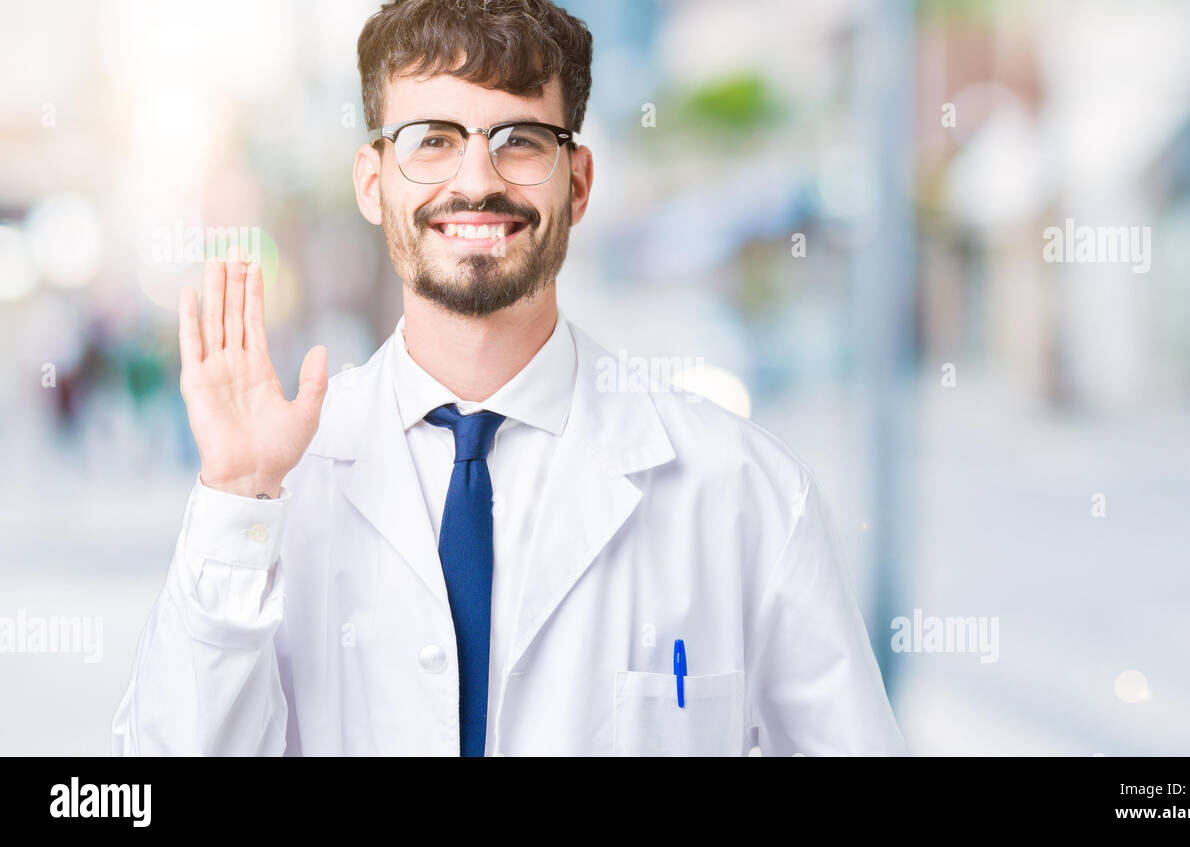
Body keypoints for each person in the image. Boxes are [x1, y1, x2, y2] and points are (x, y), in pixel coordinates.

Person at [111, 0, 906, 756]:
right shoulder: (277, 492)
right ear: (370, 180)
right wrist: (238, 499)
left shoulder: (745, 493)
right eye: (431, 139)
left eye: (520, 139)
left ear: (580, 181)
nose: (477, 180)